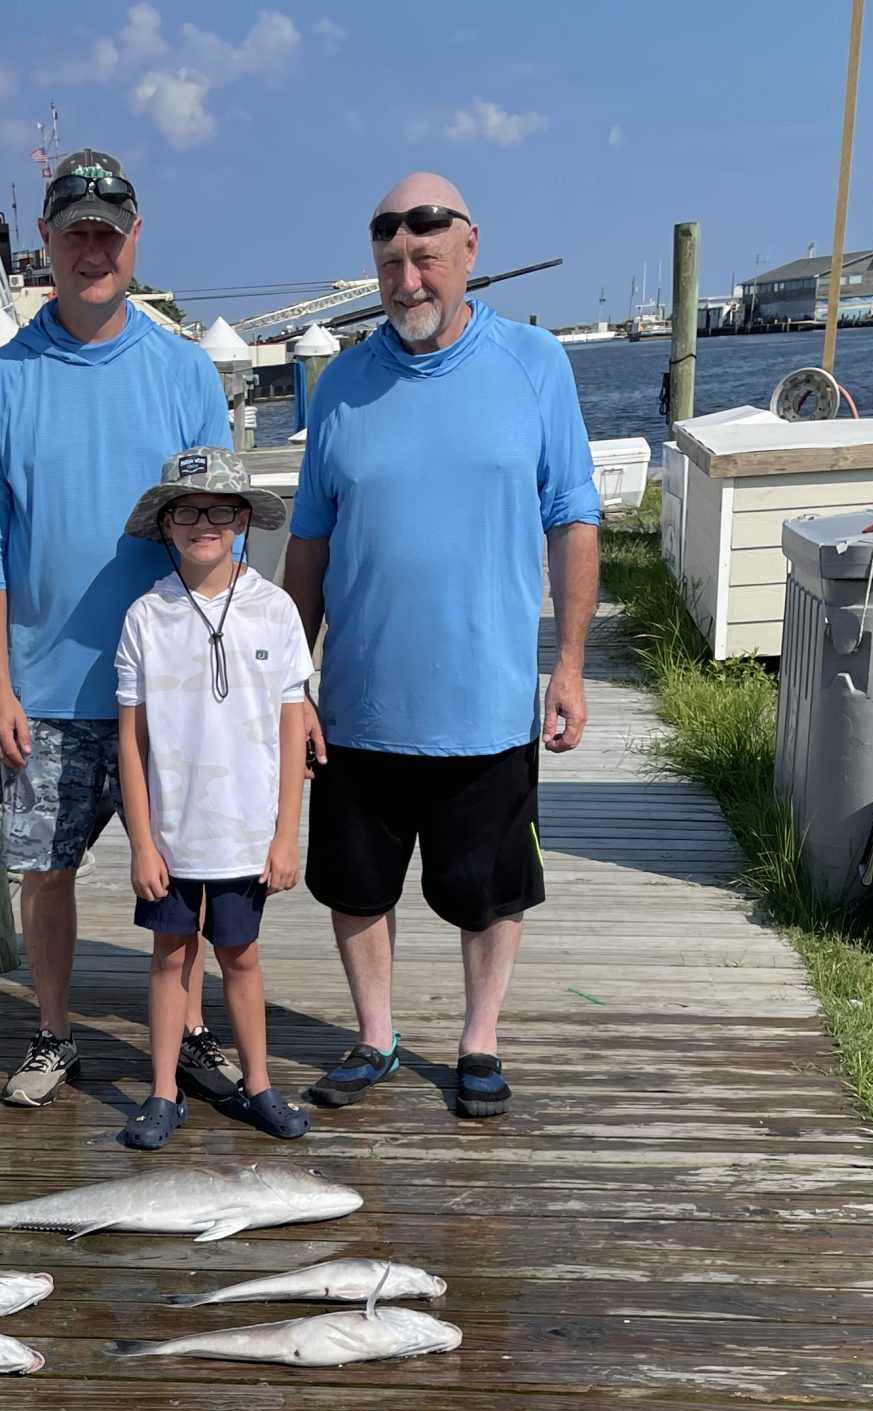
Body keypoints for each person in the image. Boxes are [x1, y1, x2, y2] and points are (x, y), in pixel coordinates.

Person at [282, 170, 600, 1118]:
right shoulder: (340, 385)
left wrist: (573, 664)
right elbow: (308, 542)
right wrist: (294, 680)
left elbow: (574, 517)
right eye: (390, 264)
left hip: (490, 701)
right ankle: (375, 1036)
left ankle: (479, 1040)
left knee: (489, 890)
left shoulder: (536, 364)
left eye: (424, 258)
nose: (407, 279)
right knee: (355, 887)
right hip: (361, 706)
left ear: (469, 250)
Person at [0, 148, 234, 1111]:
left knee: (187, 874)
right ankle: (55, 1031)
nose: (91, 250)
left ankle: (192, 1032)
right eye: (73, 232)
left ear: (134, 241)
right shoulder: (0, 379)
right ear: (45, 241)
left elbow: (220, 529)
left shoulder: (186, 368)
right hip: (46, 687)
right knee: (47, 872)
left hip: (168, 688)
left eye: (106, 234)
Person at [114, 449, 313, 1150]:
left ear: (244, 522)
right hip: (171, 832)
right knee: (172, 955)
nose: (206, 523)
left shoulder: (276, 609)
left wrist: (287, 835)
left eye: (222, 510)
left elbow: (293, 733)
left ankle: (258, 1084)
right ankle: (163, 1092)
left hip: (247, 831)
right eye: (189, 510)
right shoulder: (145, 616)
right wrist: (142, 841)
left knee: (242, 956)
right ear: (166, 524)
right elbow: (131, 742)